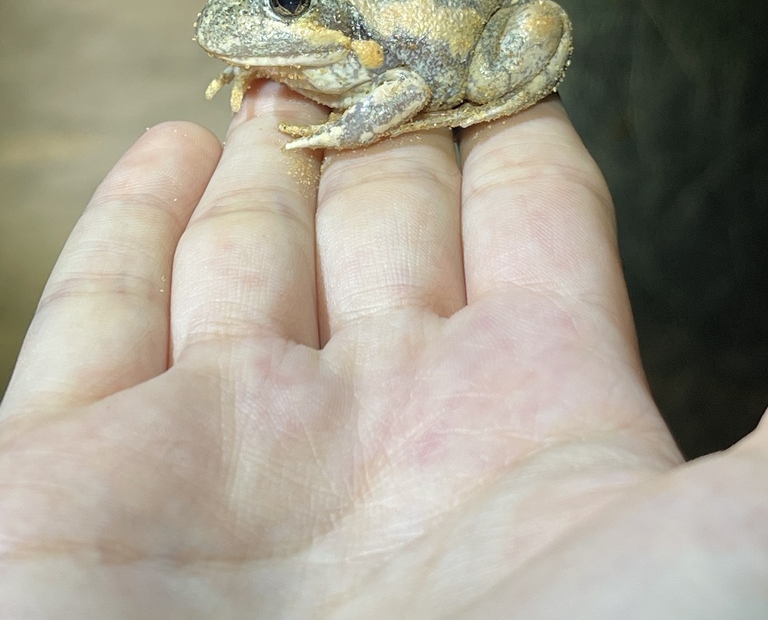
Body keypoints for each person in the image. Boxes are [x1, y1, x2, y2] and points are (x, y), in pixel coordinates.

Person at [0, 81, 765, 619]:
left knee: (487, 69)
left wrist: (347, 125)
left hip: (430, 42)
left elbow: (403, 83)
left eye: (289, 4)